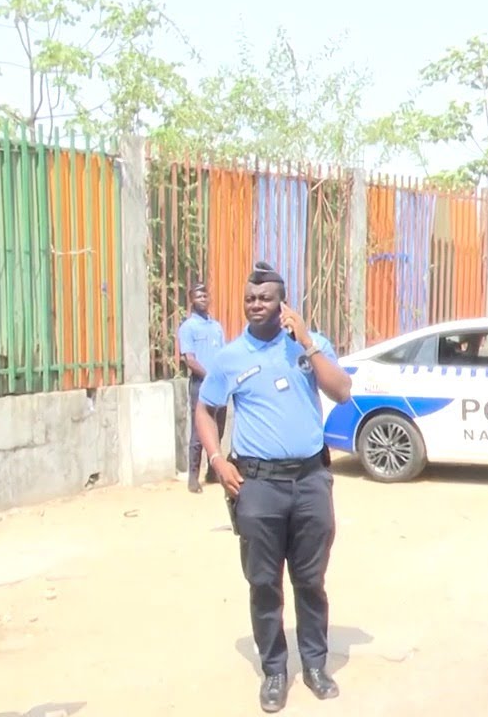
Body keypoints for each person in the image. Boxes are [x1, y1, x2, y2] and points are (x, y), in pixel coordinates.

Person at [193, 261, 353, 713]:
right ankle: (275, 671)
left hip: (310, 481)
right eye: (249, 298)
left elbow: (341, 391)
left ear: (282, 302)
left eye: (264, 298)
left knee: (310, 580)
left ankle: (316, 666)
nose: (255, 305)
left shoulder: (308, 346)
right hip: (258, 485)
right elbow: (206, 410)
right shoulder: (230, 357)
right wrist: (217, 460)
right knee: (264, 583)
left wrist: (306, 342)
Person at [177, 283, 227, 493]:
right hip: (201, 384)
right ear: (191, 300)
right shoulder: (188, 327)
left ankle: (212, 471)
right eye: (198, 296)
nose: (203, 299)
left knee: (219, 428)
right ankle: (193, 478)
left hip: (220, 385)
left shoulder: (216, 327)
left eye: (205, 295)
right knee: (199, 431)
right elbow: (190, 359)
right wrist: (209, 377)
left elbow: (224, 355)